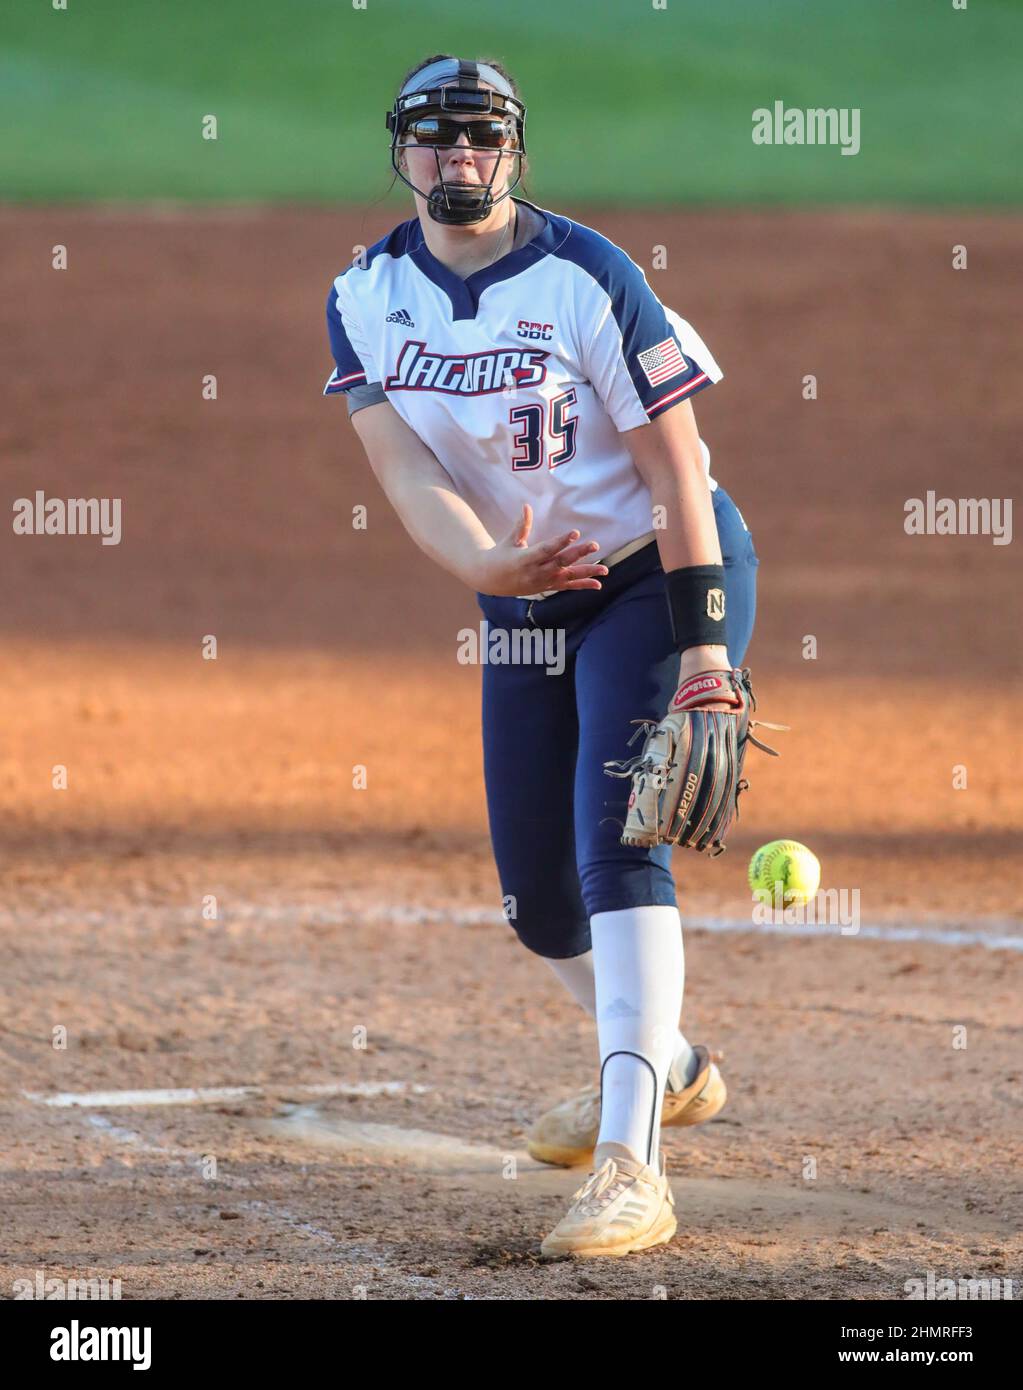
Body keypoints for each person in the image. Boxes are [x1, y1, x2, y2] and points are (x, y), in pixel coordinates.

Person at [323, 54, 759, 1259]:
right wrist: (485, 565)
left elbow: (678, 468)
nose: (460, 161)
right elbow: (404, 468)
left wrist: (706, 650)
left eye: (482, 139)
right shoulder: (363, 296)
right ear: (400, 151)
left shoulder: (587, 275)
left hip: (651, 573)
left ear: (516, 151)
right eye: (436, 139)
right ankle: (667, 1063)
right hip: (525, 593)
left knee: (620, 842)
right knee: (536, 897)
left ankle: (632, 1161)